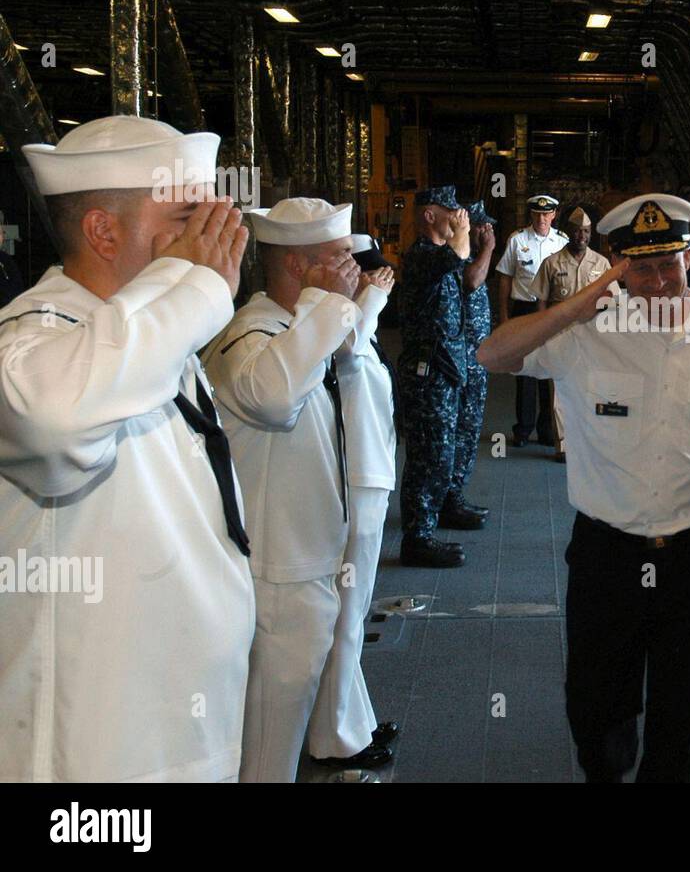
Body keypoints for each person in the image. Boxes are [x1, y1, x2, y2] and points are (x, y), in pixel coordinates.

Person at [477, 194, 690, 783]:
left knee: (683, 712)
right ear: (618, 267)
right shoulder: (586, 334)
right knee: (596, 705)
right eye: (640, 267)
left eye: (669, 263)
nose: (659, 281)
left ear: (689, 260)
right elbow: (493, 354)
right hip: (607, 553)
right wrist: (578, 306)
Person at [0, 115, 254, 782]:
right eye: (186, 214)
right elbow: (53, 422)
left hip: (180, 722)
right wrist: (195, 289)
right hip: (102, 751)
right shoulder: (32, 340)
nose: (210, 234)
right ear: (103, 231)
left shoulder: (152, 333)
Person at [203, 196, 362, 782]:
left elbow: (349, 356)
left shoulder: (297, 330)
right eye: (340, 259)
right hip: (278, 572)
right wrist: (325, 305)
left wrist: (332, 306)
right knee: (267, 747)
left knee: (282, 733)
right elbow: (273, 399)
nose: (354, 269)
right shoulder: (251, 334)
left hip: (307, 560)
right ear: (299, 267)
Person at [306, 234, 401, 769]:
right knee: (346, 612)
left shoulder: (356, 325)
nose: (382, 282)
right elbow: (349, 347)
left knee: (354, 610)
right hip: (354, 483)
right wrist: (368, 299)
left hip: (370, 479)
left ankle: (353, 720)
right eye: (370, 273)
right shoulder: (342, 327)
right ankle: (335, 738)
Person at [398, 185, 476, 569]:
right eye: (452, 212)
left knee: (442, 453)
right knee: (428, 456)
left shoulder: (439, 258)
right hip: (425, 375)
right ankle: (417, 538)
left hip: (444, 373)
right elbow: (457, 255)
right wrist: (462, 234)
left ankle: (430, 523)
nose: (458, 218)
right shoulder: (420, 256)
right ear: (430, 215)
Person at [533, 206, 613, 462]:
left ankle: (590, 441)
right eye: (577, 231)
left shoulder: (602, 264)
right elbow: (542, 301)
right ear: (568, 232)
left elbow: (613, 302)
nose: (581, 235)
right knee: (560, 391)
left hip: (593, 337)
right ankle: (565, 445)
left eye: (586, 231)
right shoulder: (552, 263)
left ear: (591, 234)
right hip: (560, 336)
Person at [495, 193, 566, 447]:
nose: (542, 219)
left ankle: (547, 430)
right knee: (524, 371)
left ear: (554, 215)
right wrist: (504, 316)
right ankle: (523, 430)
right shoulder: (517, 240)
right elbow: (504, 277)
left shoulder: (562, 242)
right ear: (531, 215)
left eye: (546, 214)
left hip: (551, 312)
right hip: (524, 310)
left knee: (549, 370)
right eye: (537, 214)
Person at [447, 201, 496, 521]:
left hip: (475, 360)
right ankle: (449, 498)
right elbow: (472, 281)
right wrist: (488, 249)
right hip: (461, 362)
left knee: (468, 429)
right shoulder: (462, 257)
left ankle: (455, 494)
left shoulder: (472, 256)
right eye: (483, 227)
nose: (489, 232)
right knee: (458, 430)